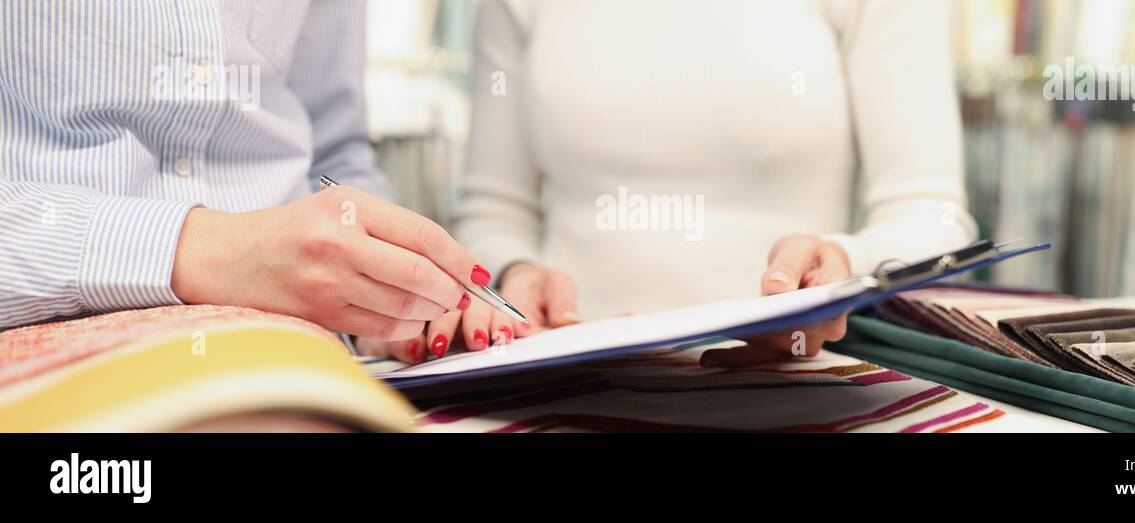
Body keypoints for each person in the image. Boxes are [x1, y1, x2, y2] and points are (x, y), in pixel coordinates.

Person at [419, 0, 977, 367]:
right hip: (558, 381)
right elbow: (493, 209)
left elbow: (934, 216)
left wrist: (841, 262)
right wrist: (516, 272)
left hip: (792, 385)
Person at [0, 0, 473, 362]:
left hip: (308, 349)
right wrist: (210, 251)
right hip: (43, 336)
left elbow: (334, 153)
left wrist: (377, 298)